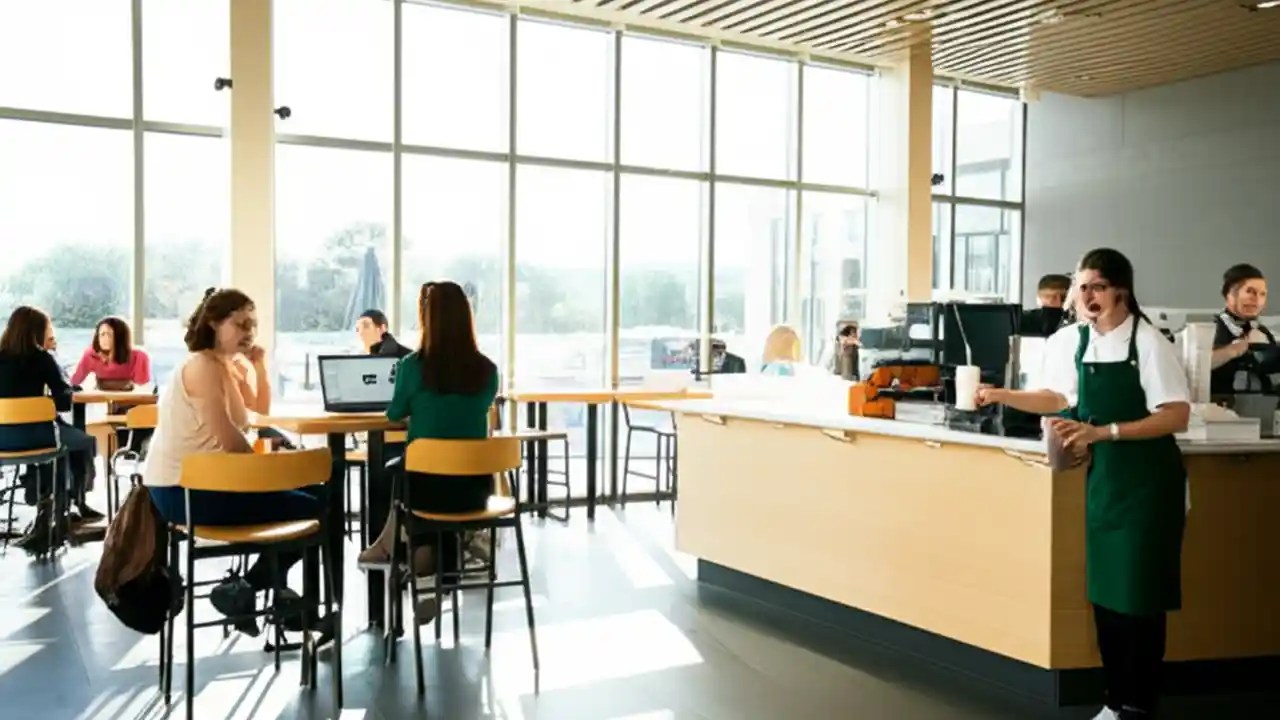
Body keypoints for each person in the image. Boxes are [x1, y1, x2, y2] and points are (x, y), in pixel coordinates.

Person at [976, 248, 1190, 720]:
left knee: (1140, 599)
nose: (1086, 295)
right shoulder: (1070, 341)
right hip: (1106, 484)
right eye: (1082, 285)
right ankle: (1114, 702)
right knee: (1108, 596)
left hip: (1150, 485)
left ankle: (1138, 703)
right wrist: (1000, 394)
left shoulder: (1150, 344)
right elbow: (1057, 397)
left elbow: (1175, 415)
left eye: (1097, 286)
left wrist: (1105, 432)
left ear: (1121, 291)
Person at [143, 288, 315, 636]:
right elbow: (232, 443)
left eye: (252, 324)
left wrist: (257, 367)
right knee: (320, 505)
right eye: (239, 324)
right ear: (213, 322)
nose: (249, 331)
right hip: (186, 493)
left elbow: (251, 417)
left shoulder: (219, 365)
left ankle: (253, 592)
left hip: (201, 486)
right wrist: (276, 475)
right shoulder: (204, 367)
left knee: (313, 493)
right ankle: (269, 595)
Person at [358, 281, 499, 623]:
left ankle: (415, 571)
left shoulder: (411, 366)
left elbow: (394, 414)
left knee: (407, 477)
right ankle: (466, 542)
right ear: (467, 318)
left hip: (426, 493)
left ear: (426, 319)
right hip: (476, 492)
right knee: (436, 490)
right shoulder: (488, 370)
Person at [0, 307, 102, 543]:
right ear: (38, 331)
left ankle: (51, 508)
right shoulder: (42, 358)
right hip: (38, 439)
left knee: (63, 443)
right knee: (77, 442)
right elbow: (65, 403)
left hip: (3, 441)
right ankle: (64, 507)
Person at [1210, 263, 1275, 395]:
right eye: (1250, 292)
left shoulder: (1263, 332)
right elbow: (1195, 367)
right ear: (1229, 294)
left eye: (1262, 294)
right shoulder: (1210, 329)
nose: (1256, 300)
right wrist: (1233, 350)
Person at [69, 316, 152, 388]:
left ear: (120, 337)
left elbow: (142, 390)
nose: (104, 339)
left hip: (130, 401)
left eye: (109, 335)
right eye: (102, 334)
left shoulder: (139, 356)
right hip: (102, 400)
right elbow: (75, 381)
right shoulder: (90, 355)